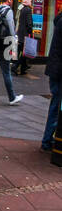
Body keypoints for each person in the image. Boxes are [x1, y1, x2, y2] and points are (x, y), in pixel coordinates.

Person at [43, 8, 62, 152]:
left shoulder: (59, 19)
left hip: (55, 70)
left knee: (55, 106)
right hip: (59, 71)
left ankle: (49, 139)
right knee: (56, 107)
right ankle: (48, 141)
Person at [14, 0, 34, 77]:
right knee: (24, 53)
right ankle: (15, 67)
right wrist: (31, 32)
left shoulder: (22, 9)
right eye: (31, 1)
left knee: (22, 51)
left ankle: (22, 69)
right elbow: (29, 23)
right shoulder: (28, 10)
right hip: (25, 34)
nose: (31, 2)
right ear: (29, 2)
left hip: (20, 34)